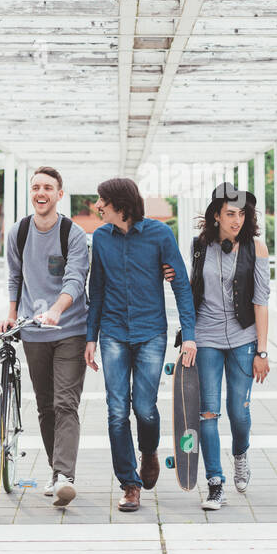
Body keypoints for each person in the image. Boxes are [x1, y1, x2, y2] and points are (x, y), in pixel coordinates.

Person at [85, 177, 196, 513]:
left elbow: (181, 287)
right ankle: (130, 484)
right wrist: (91, 338)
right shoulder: (101, 238)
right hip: (114, 332)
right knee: (117, 410)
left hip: (151, 332)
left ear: (120, 204)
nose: (97, 206)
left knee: (144, 408)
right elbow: (97, 290)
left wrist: (188, 335)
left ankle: (149, 452)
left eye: (102, 200)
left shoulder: (160, 235)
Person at [0, 166, 89, 508]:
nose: (41, 193)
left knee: (66, 402)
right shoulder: (18, 232)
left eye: (48, 188)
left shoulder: (73, 233)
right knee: (45, 405)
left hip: (70, 330)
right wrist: (11, 314)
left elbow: (75, 280)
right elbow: (14, 277)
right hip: (32, 332)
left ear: (59, 194)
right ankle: (56, 473)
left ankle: (65, 476)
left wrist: (57, 310)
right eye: (36, 187)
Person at [179, 182, 270, 510]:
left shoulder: (256, 248)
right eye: (230, 213)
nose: (237, 220)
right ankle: (215, 483)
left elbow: (261, 302)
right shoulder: (199, 247)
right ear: (216, 215)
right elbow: (191, 289)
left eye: (242, 214)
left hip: (244, 339)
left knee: (238, 411)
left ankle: (241, 454)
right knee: (208, 412)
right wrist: (187, 336)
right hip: (206, 339)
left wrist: (262, 350)